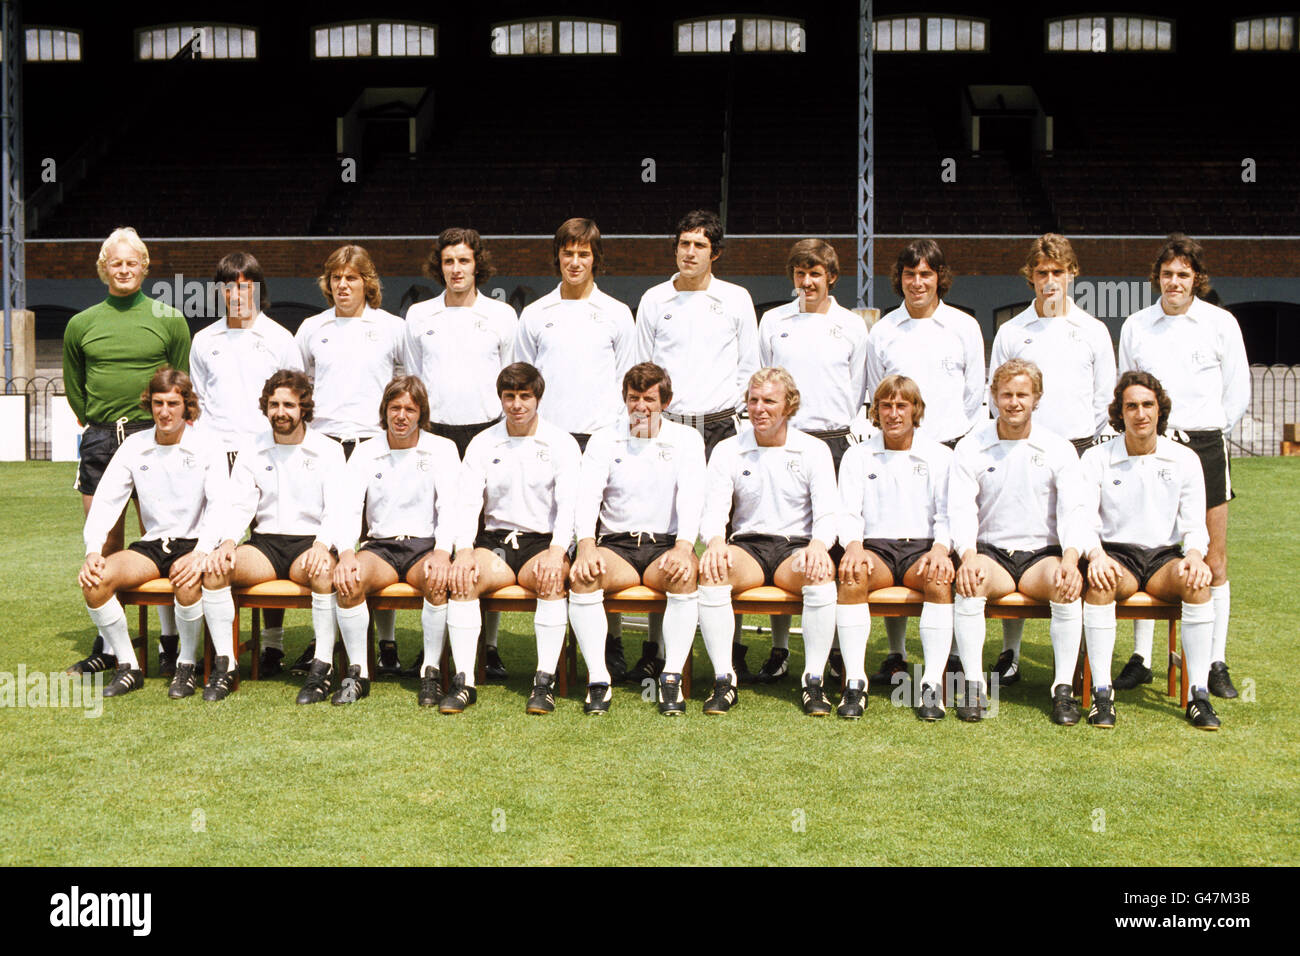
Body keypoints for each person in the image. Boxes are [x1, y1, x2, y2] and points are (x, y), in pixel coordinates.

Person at [1117, 234, 1249, 699]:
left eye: (1183, 274)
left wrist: (1203, 434)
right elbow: (1128, 386)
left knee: (1212, 558)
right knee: (1145, 547)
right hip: (1149, 445)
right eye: (1167, 273)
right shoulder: (1136, 324)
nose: (1175, 282)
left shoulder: (1220, 323)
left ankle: (1213, 660)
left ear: (1197, 278)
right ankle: (1142, 659)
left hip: (1206, 445)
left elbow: (1237, 391)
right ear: (1157, 277)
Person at [634, 210, 761, 685]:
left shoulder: (736, 299)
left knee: (727, 533)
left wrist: (742, 426)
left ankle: (732, 647)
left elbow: (750, 366)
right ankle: (656, 646)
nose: (689, 252)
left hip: (722, 428)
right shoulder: (653, 299)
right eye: (683, 243)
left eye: (699, 245)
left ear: (716, 252)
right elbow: (641, 368)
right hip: (668, 428)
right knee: (666, 529)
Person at [987, 234, 1115, 687]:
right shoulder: (1011, 331)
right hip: (1022, 450)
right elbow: (995, 397)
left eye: (1057, 272)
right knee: (1018, 542)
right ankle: (1010, 652)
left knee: (1073, 549)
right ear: (1030, 277)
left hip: (1078, 451)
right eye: (1041, 272)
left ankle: (1079, 658)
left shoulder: (1094, 331)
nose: (1049, 281)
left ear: (1072, 274)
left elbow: (1104, 399)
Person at [63, 227, 191, 677]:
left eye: (131, 262)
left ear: (144, 267)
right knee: (106, 542)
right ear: (103, 269)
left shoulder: (169, 318)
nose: (123, 269)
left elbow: (179, 379)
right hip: (100, 438)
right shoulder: (81, 324)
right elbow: (75, 388)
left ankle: (172, 641)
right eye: (115, 263)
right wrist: (99, 422)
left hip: (153, 435)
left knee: (162, 535)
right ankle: (110, 645)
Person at [515, 217, 635, 682]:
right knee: (555, 537)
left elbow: (628, 383)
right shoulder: (536, 314)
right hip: (551, 441)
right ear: (557, 257)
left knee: (602, 539)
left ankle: (612, 639)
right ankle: (559, 645)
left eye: (583, 253)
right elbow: (522, 379)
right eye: (567, 252)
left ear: (595, 259)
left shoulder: (617, 313)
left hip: (601, 439)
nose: (575, 261)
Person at [865, 239, 985, 685]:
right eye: (910, 274)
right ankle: (896, 653)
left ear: (939, 278)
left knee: (945, 551)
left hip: (949, 447)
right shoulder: (883, 330)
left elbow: (975, 393)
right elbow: (874, 392)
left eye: (926, 274)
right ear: (900, 279)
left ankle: (951, 655)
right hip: (897, 450)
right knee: (893, 538)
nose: (918, 282)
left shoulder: (964, 326)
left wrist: (949, 440)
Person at [406, 228, 519, 683]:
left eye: (464, 261)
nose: (456, 269)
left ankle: (486, 647)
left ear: (478, 266)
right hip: (436, 434)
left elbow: (512, 374)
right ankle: (430, 647)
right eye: (449, 261)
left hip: (486, 433)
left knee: (480, 537)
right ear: (440, 266)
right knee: (434, 532)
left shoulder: (502, 315)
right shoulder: (418, 316)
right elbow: (414, 377)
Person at [756, 238, 869, 685]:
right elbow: (762, 376)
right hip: (784, 440)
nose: (807, 282)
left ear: (832, 277)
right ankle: (780, 648)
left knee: (833, 546)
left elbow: (859, 386)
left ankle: (836, 651)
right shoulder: (773, 321)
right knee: (783, 536)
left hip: (835, 443)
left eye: (816, 274)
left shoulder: (852, 326)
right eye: (800, 274)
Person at [308, 376, 460, 707]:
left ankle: (430, 673)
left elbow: (450, 507)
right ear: (385, 411)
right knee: (348, 581)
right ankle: (357, 674)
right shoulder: (366, 451)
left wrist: (443, 552)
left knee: (437, 580)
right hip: (381, 549)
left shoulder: (443, 449)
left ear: (421, 413)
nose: (401, 416)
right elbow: (348, 508)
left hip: (425, 546)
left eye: (410, 409)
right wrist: (346, 553)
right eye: (395, 408)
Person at [949, 359, 1087, 724]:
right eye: (1006, 394)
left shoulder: (1059, 448)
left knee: (1066, 586)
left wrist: (1071, 560)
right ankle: (975, 686)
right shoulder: (970, 447)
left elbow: (1075, 510)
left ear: (1036, 398)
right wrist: (967, 555)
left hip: (1042, 556)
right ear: (993, 397)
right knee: (969, 584)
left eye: (1022, 395)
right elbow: (961, 509)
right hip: (991, 554)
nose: (1013, 402)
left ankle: (1062, 690)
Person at [195, 370, 346, 702]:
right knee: (215, 569)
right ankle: (226, 665)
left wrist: (322, 545)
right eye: (274, 404)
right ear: (265, 407)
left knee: (324, 574)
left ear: (304, 408)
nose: (281, 412)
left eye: (289, 405)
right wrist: (228, 542)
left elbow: (337, 508)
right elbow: (238, 504)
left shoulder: (329, 450)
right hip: (265, 545)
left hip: (310, 543)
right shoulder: (252, 448)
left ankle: (322, 668)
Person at [1078, 372, 1218, 729]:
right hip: (1116, 556)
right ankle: (1102, 694)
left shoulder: (1185, 459)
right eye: (1131, 406)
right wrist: (1095, 555)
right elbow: (1083, 520)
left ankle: (1198, 695)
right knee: (1100, 584)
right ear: (1119, 413)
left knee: (1198, 584)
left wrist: (1196, 556)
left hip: (1163, 559)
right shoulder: (1095, 458)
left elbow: (1194, 526)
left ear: (1160, 410)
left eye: (1147, 405)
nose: (1140, 413)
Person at [293, 244, 408, 677]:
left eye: (352, 278)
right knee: (327, 541)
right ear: (328, 283)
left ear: (368, 283)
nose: (343, 285)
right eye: (337, 278)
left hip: (374, 444)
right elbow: (301, 383)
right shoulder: (311, 328)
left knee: (375, 542)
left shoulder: (392, 328)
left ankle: (388, 643)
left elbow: (405, 382)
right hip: (325, 445)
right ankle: (324, 638)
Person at [75, 368, 225, 699]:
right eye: (158, 403)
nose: (164, 411)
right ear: (150, 404)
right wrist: (92, 551)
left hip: (193, 544)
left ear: (187, 405)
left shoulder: (208, 446)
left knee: (186, 584)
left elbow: (220, 505)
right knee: (94, 582)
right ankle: (130, 666)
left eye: (173, 403)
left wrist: (201, 551)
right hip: (152, 546)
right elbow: (106, 501)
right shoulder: (134, 446)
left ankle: (185, 663)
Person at [696, 368, 838, 716]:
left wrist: (819, 545)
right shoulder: (728, 449)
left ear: (789, 406)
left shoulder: (813, 449)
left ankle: (813, 681)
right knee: (714, 572)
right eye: (753, 400)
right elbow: (713, 510)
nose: (759, 408)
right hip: (748, 547)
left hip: (796, 548)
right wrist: (714, 541)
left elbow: (828, 513)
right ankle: (724, 679)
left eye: (769, 401)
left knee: (821, 575)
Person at [569, 363, 706, 715]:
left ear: (666, 402)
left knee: (686, 574)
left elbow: (692, 498)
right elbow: (587, 498)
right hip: (617, 547)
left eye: (649, 398)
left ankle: (670, 677)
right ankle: (599, 680)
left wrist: (684, 547)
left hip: (666, 545)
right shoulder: (603, 439)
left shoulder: (687, 439)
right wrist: (586, 545)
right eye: (633, 398)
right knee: (584, 577)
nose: (640, 406)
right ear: (624, 399)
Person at [189, 251, 303, 675]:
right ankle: (217, 644)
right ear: (219, 291)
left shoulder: (279, 338)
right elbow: (199, 402)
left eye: (245, 285)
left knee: (270, 540)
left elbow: (293, 398)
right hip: (219, 457)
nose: (237, 293)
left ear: (258, 289)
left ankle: (271, 645)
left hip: (266, 454)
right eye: (229, 285)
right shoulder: (204, 341)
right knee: (216, 543)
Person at [446, 363, 581, 715]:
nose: (517, 405)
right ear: (501, 399)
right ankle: (464, 682)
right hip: (498, 547)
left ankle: (544, 681)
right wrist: (462, 550)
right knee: (463, 580)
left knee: (551, 581)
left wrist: (557, 551)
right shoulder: (483, 442)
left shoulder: (561, 443)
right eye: (510, 397)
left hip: (543, 545)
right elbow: (467, 503)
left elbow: (570, 505)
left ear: (538, 398)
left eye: (525, 396)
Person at [835, 375, 955, 720]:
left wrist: (940, 550)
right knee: (852, 575)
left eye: (902, 405)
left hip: (923, 549)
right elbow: (848, 512)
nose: (893, 413)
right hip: (877, 549)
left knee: (939, 579)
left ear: (915, 410)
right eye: (885, 405)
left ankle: (931, 685)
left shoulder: (940, 456)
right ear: (875, 412)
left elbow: (947, 514)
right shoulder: (858, 455)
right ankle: (855, 683)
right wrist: (853, 547)